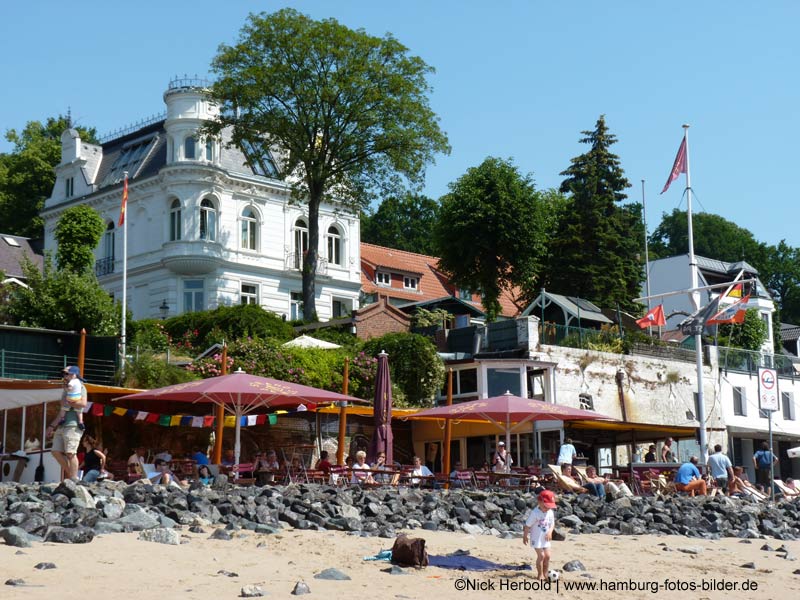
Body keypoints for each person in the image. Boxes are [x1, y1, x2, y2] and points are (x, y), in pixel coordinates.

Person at [46, 366, 88, 480]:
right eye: (64, 374)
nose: (64, 376)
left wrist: (69, 403)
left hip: (73, 425)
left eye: (66, 373)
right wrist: (51, 426)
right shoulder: (65, 389)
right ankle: (72, 475)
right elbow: (62, 409)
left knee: (70, 453)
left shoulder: (80, 386)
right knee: (55, 451)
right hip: (62, 425)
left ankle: (73, 479)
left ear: (73, 375)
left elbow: (83, 404)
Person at [522, 489, 557, 581]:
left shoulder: (550, 512)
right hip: (536, 539)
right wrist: (525, 536)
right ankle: (539, 574)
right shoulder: (535, 513)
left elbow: (552, 524)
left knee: (548, 556)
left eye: (549, 506)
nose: (548, 508)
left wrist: (550, 532)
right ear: (539, 502)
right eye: (546, 506)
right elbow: (527, 525)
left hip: (545, 538)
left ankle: (546, 574)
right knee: (541, 556)